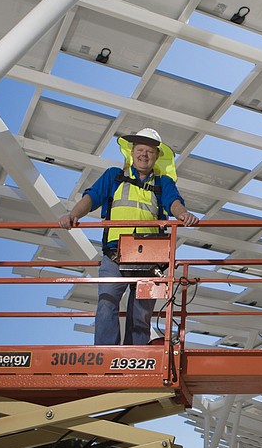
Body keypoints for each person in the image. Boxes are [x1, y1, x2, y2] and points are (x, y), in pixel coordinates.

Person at [57, 128, 199, 345]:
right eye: (140, 150)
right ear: (132, 153)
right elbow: (92, 197)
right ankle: (106, 355)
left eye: (150, 151)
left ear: (157, 156)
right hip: (115, 253)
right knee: (106, 303)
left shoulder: (164, 183)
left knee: (141, 313)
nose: (144, 154)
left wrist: (183, 215)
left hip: (150, 256)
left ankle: (136, 357)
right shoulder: (113, 176)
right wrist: (73, 215)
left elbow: (174, 202)